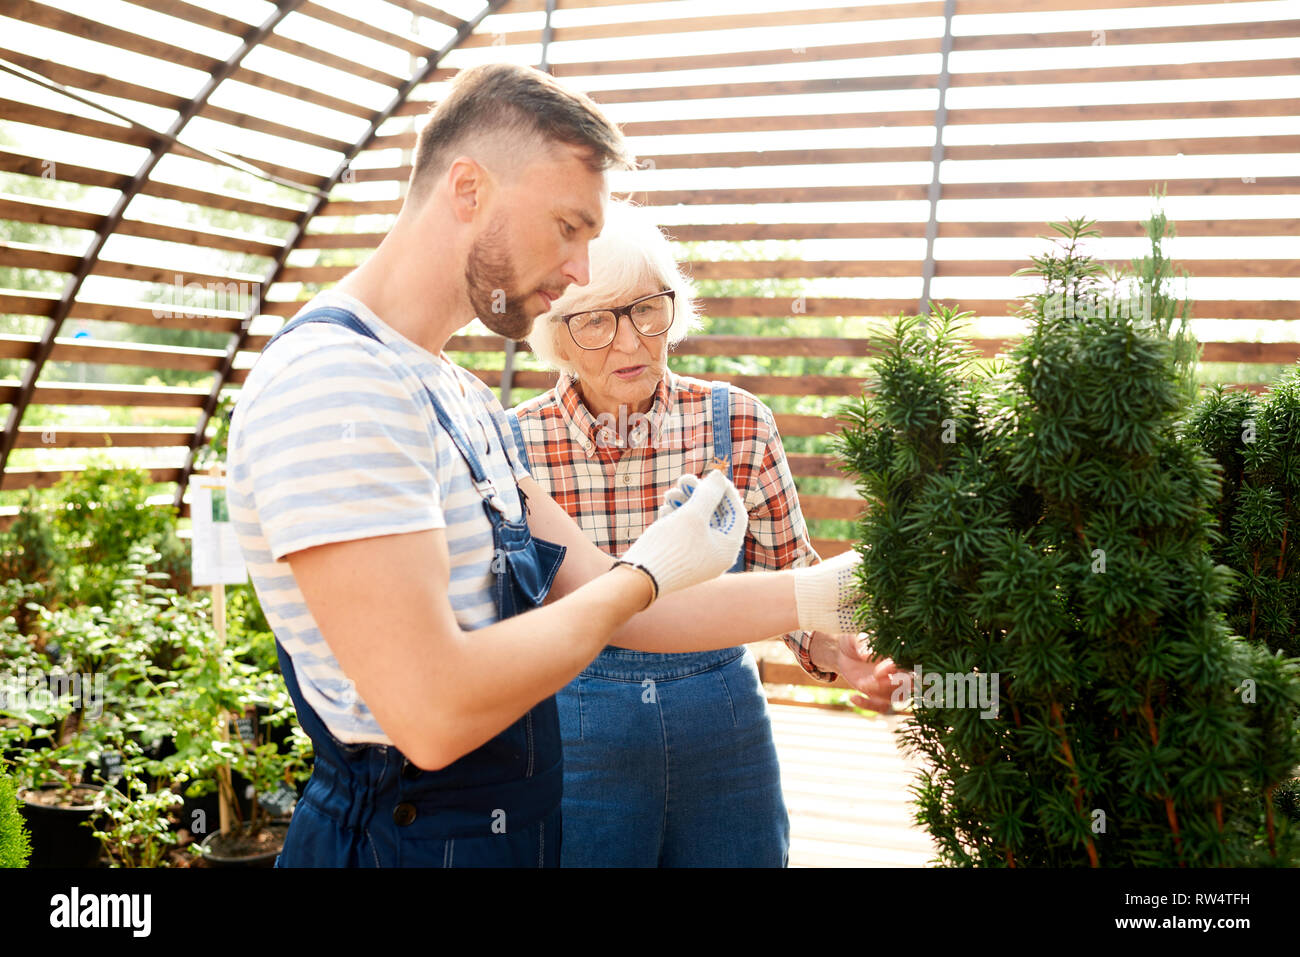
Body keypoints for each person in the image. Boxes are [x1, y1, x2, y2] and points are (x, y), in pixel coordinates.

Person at [226, 62, 897, 868]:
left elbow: (623, 611)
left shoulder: (457, 397)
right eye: (569, 226)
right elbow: (432, 712)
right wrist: (646, 571)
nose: (582, 268)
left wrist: (837, 590)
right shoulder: (337, 386)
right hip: (401, 841)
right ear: (468, 190)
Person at [508, 200, 868, 866]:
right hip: (576, 737)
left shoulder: (739, 422)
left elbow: (791, 574)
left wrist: (839, 651)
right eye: (596, 321)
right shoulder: (514, 447)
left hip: (724, 734)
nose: (631, 341)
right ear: (557, 333)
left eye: (648, 308)